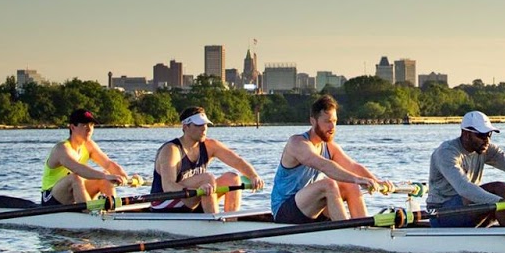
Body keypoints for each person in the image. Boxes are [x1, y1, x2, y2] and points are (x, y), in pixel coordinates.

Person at [270, 94, 387, 223]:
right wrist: (357, 179)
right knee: (329, 184)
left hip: (310, 208)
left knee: (350, 186)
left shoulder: (329, 147)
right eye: (327, 121)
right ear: (313, 121)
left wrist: (377, 181)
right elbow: (324, 165)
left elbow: (353, 166)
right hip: (284, 212)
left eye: (334, 121)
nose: (332, 127)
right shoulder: (297, 143)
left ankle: (363, 229)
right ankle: (345, 233)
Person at [150, 105, 263, 213]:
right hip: (165, 203)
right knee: (207, 178)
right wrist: (196, 192)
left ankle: (231, 221)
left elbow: (237, 161)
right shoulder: (171, 150)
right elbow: (168, 186)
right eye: (198, 125)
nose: (204, 129)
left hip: (193, 198)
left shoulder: (210, 145)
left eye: (205, 124)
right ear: (185, 126)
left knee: (232, 178)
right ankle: (214, 224)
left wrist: (253, 175)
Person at [41, 108, 131, 205]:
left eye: (91, 125)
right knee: (76, 178)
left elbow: (108, 164)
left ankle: (112, 211)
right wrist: (107, 176)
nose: (89, 129)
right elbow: (78, 168)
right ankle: (89, 212)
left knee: (104, 178)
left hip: (74, 192)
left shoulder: (89, 145)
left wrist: (126, 178)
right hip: (50, 198)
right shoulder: (62, 149)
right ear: (72, 127)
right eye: (84, 125)